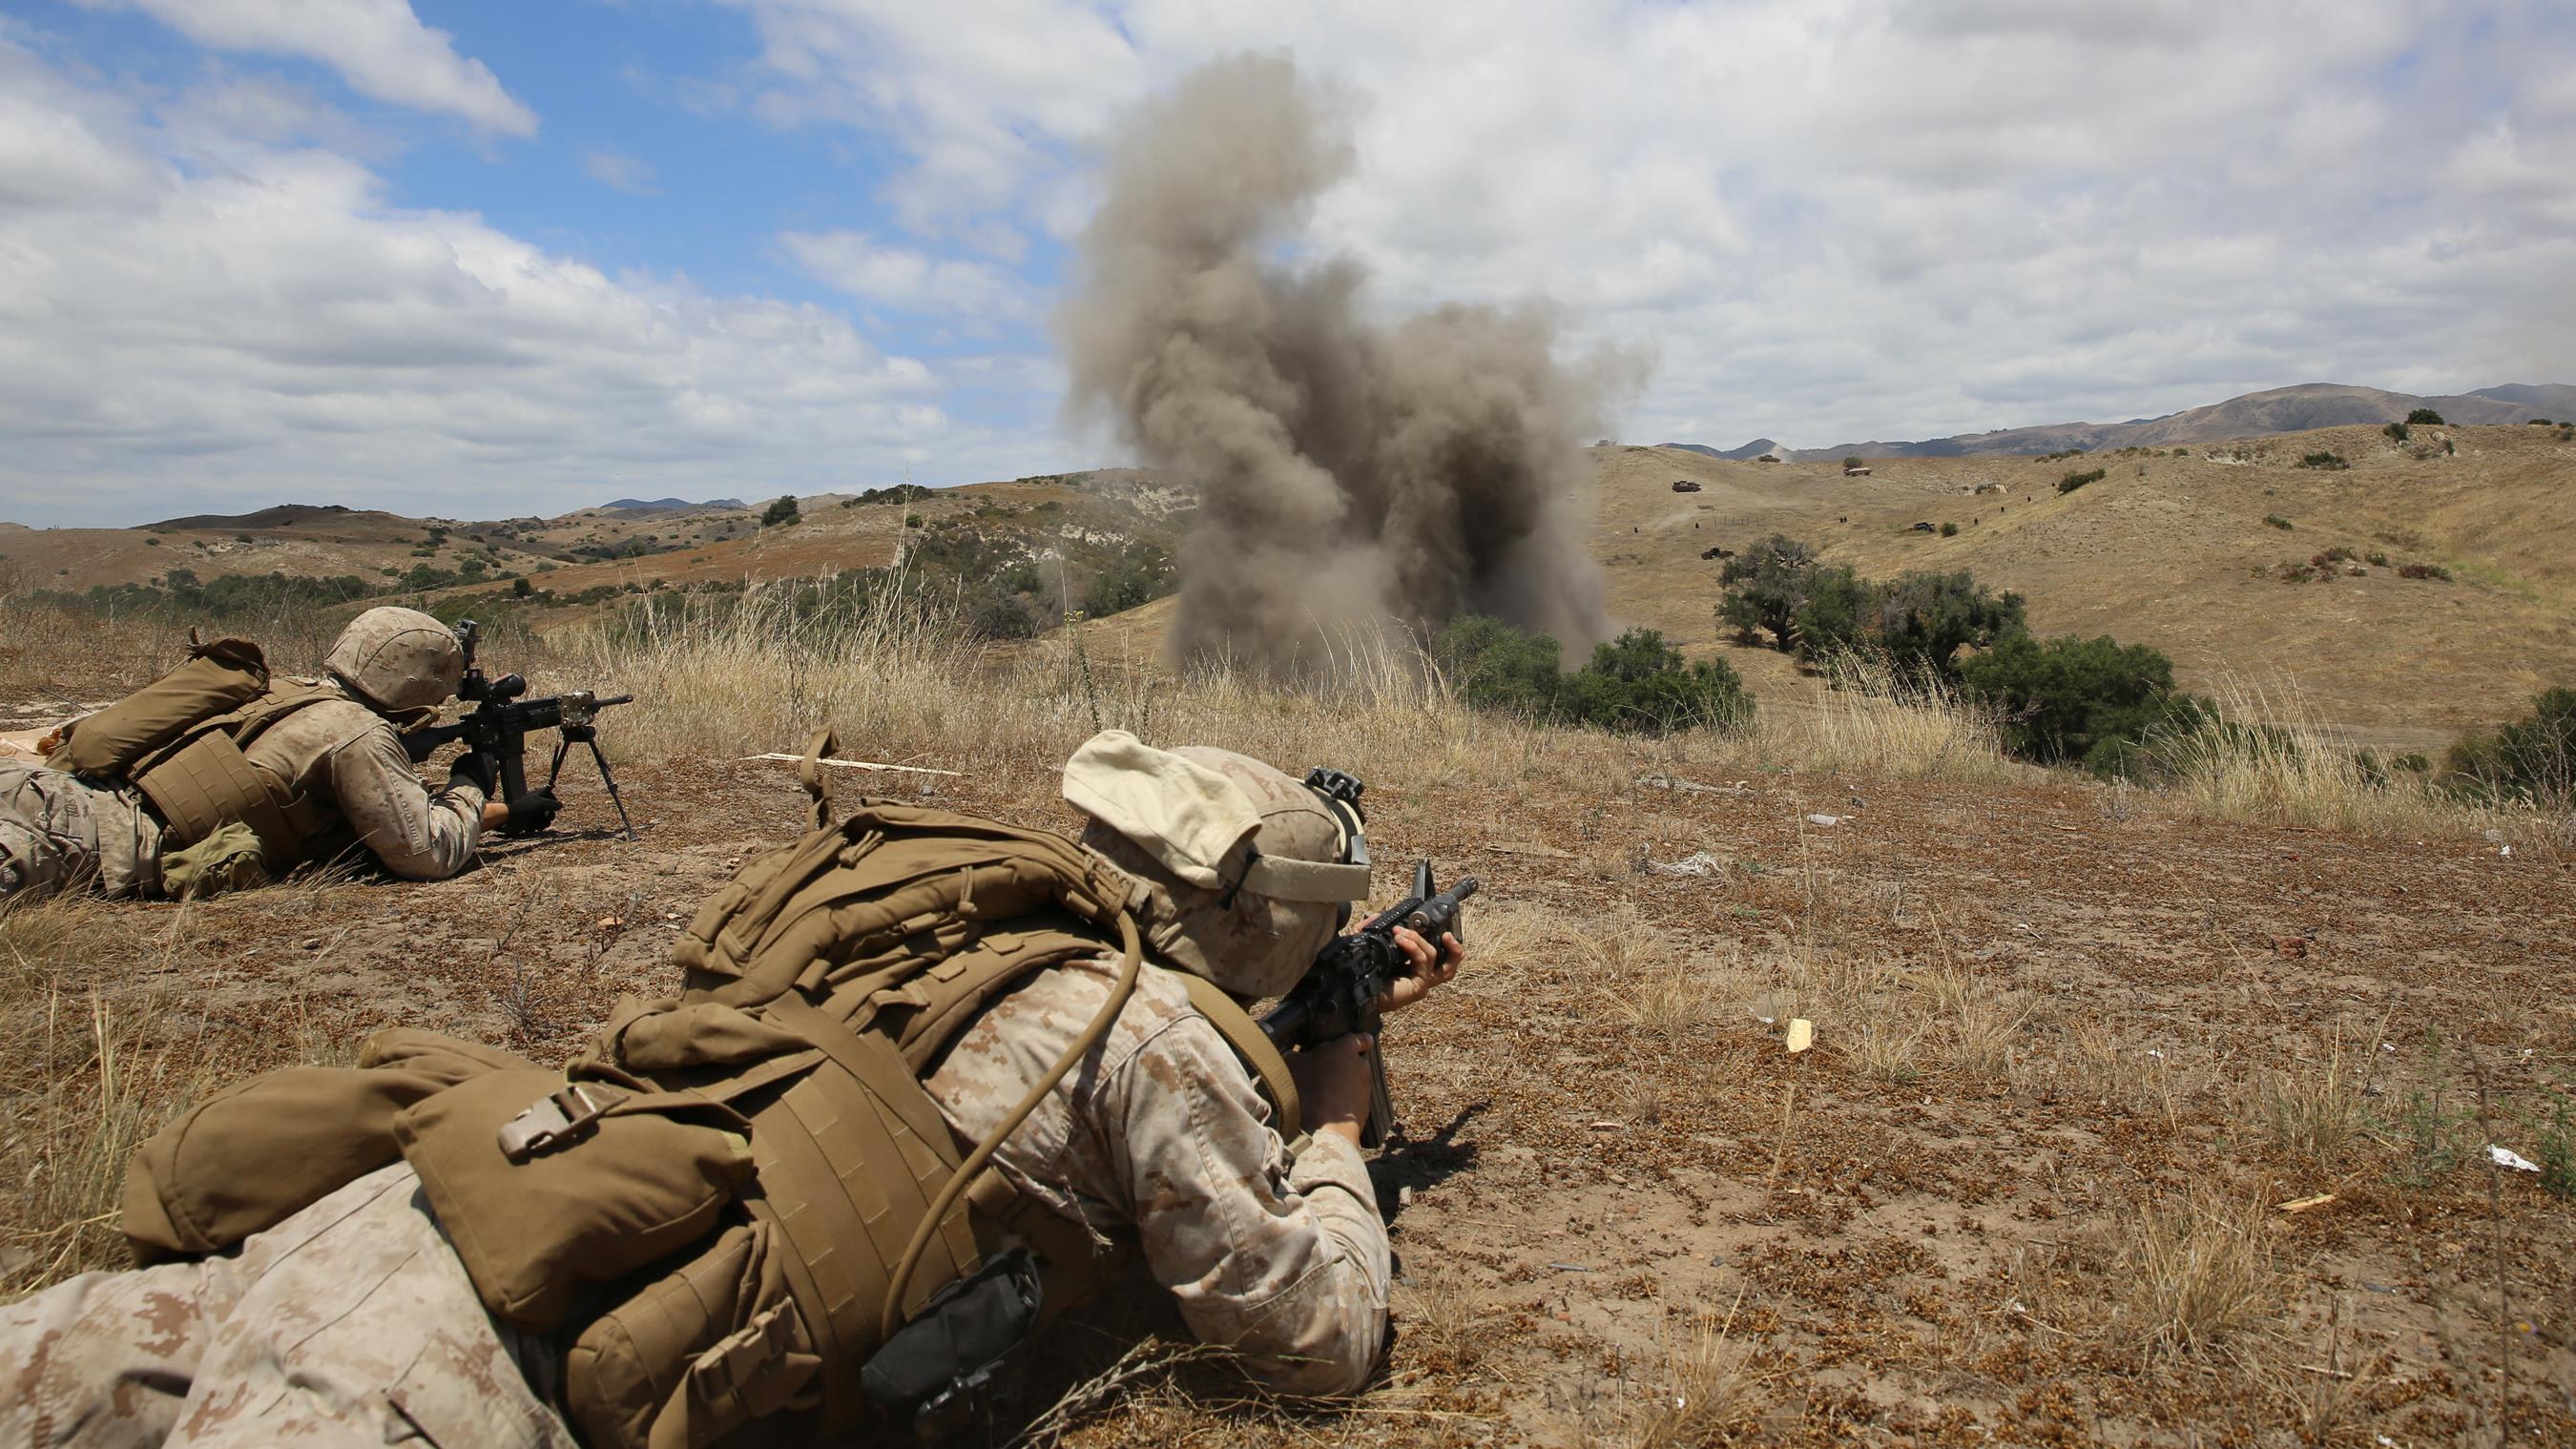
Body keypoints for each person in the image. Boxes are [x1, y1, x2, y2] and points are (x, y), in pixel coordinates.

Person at [0, 732, 1465, 1446]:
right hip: (462, 1371)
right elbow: (1311, 1343)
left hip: (391, 1217)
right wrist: (1334, 1118)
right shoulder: (1148, 1038)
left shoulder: (927, 900)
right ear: (1264, 919)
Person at [0, 607, 547, 902]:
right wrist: (470, 781)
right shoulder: (357, 733)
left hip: (52, 791)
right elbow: (426, 855)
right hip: (90, 841)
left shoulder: (281, 689)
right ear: (422, 686)